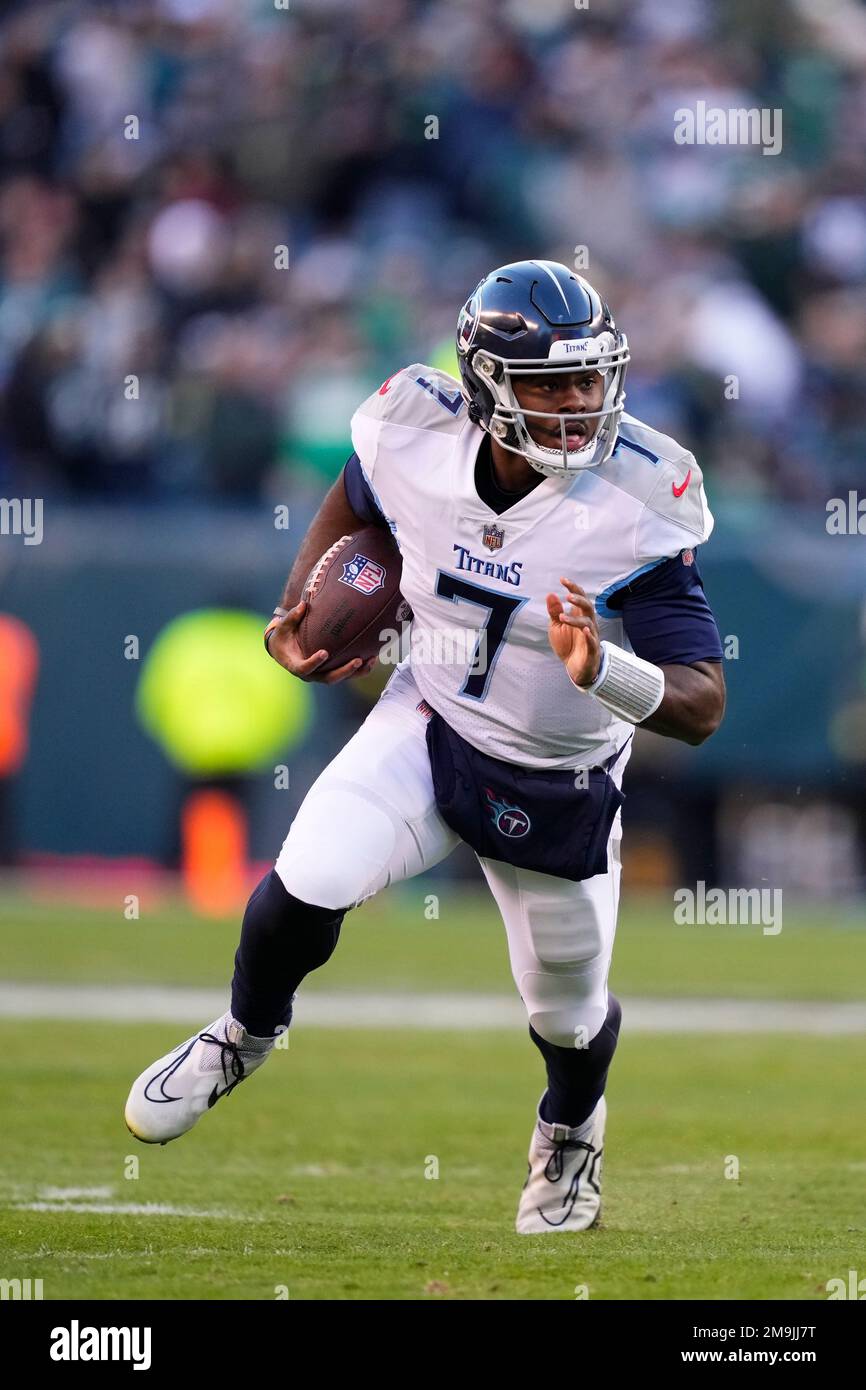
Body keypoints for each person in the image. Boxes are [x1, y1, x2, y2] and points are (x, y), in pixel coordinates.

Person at [125, 260, 726, 1234]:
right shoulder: (411, 426)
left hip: (558, 772)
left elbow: (700, 705)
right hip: (428, 714)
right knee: (306, 873)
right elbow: (355, 494)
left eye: (588, 378)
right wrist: (301, 602)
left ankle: (569, 1134)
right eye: (548, 383)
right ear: (486, 382)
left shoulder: (637, 497)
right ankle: (242, 1032)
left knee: (566, 1013)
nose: (577, 405)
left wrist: (600, 672)